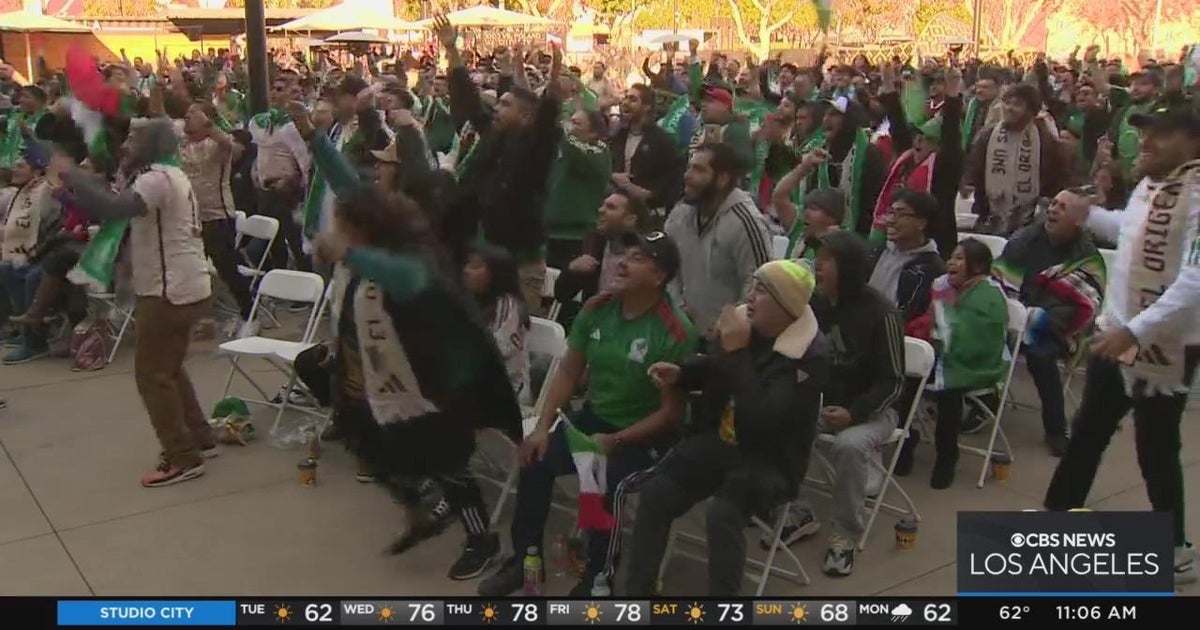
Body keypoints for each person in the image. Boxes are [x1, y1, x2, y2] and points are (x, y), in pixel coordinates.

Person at [477, 231, 698, 597]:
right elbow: (567, 371)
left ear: (659, 277)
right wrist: (543, 427)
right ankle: (525, 562)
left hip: (651, 436)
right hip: (597, 419)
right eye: (624, 253)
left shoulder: (675, 331)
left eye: (639, 257)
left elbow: (671, 415)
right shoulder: (598, 309)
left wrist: (616, 441)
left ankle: (599, 579)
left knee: (604, 479)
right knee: (536, 456)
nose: (623, 261)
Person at [1044, 107, 1199, 588]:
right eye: (1144, 132)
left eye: (1160, 133)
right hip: (1118, 332)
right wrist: (1088, 215)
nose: (1145, 141)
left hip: (1164, 346)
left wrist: (1136, 331)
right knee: (1088, 431)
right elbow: (1128, 234)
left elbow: (1195, 278)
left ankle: (1173, 546)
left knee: (1155, 447)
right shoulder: (1153, 186)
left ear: (1193, 141)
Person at [625, 260, 829, 596]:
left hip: (769, 459)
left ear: (785, 307)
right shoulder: (746, 325)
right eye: (753, 286)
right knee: (656, 493)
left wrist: (736, 353)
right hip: (720, 441)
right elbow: (715, 366)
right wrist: (684, 373)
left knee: (723, 513)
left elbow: (764, 420)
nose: (750, 296)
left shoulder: (809, 356)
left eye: (762, 290)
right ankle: (639, 593)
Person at [57, 119, 215, 487]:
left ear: (153, 143)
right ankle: (198, 437)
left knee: (152, 375)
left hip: (168, 290)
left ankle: (182, 456)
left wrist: (73, 177)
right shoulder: (167, 174)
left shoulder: (156, 178)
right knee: (170, 369)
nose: (127, 143)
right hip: (182, 284)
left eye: (134, 137)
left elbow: (115, 208)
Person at [784, 231, 905, 576]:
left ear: (848, 267)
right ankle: (799, 511)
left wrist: (855, 412)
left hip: (875, 411)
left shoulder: (881, 313)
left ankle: (844, 534)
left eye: (826, 260)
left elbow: (894, 381)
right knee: (781, 421)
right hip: (825, 404)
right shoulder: (817, 305)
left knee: (849, 446)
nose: (817, 267)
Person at [436, 15, 560, 313]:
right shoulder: (492, 135)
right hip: (484, 257)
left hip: (521, 262)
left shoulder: (536, 146)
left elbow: (548, 112)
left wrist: (555, 73)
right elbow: (467, 98)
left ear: (526, 116)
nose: (497, 108)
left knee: (513, 335)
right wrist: (451, 50)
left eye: (506, 105)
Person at [993, 189, 1105, 456]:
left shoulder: (1086, 257)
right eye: (1053, 203)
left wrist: (1036, 322)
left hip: (1056, 328)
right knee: (979, 336)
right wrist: (1016, 316)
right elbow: (1000, 282)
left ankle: (1055, 429)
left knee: (1040, 356)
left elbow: (1086, 305)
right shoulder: (1024, 240)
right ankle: (980, 403)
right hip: (1014, 316)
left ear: (1079, 220)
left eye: (1063, 208)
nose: (1053, 210)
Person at [909, 239, 1009, 488]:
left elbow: (981, 336)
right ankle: (907, 438)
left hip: (977, 363)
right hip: (941, 354)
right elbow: (934, 319)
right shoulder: (944, 286)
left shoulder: (990, 295)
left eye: (960, 258)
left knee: (948, 391)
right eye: (951, 257)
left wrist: (939, 330)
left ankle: (947, 455)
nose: (951, 262)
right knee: (906, 374)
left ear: (976, 267)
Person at [665, 142, 772, 334]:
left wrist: (729, 325)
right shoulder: (681, 213)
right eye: (689, 168)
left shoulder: (747, 222)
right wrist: (678, 307)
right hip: (682, 332)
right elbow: (668, 268)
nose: (687, 176)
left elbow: (759, 285)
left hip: (729, 341)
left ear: (722, 179)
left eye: (698, 170)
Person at [178, 101, 254, 327]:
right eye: (187, 113)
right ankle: (203, 319)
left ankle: (250, 314)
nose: (188, 117)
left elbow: (230, 145)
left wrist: (208, 124)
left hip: (218, 217)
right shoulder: (184, 145)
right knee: (191, 269)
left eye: (194, 114)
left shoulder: (217, 145)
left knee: (227, 269)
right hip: (192, 219)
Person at [963, 83, 1066, 235]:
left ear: (1031, 111)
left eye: (1017, 104)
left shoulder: (1045, 140)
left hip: (1030, 220)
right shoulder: (987, 135)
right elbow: (974, 170)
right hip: (990, 215)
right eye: (1006, 103)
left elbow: (1055, 180)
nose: (1009, 108)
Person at [0, 144, 59, 364]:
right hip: (27, 253)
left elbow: (46, 219)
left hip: (49, 252)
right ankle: (21, 329)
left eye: (20, 166)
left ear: (36, 172)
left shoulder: (45, 191)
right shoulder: (20, 193)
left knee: (31, 274)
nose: (14, 170)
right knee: (6, 269)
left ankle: (34, 341)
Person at [247, 76, 310, 272]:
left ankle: (305, 291)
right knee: (269, 245)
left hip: (285, 192)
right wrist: (256, 170)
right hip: (265, 190)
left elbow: (304, 160)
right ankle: (274, 282)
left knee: (296, 243)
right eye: (273, 88)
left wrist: (298, 188)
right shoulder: (262, 122)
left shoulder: (292, 126)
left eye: (281, 89)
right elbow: (261, 150)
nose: (274, 93)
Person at [543, 107, 612, 271]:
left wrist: (557, 123)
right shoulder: (559, 154)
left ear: (593, 133)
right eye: (570, 122)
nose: (571, 128)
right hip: (547, 235)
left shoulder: (599, 151)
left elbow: (572, 148)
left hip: (578, 238)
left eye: (577, 124)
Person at [554, 190, 649, 308]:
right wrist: (572, 270)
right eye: (602, 205)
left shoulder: (645, 257)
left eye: (611, 207)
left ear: (630, 219)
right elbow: (561, 295)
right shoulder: (594, 245)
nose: (601, 210)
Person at [463, 243, 531, 406]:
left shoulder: (509, 306)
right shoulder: (465, 301)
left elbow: (496, 351)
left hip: (506, 392)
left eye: (475, 266)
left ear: (496, 274)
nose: (466, 270)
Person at [610, 84, 680, 229]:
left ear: (647, 107)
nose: (626, 103)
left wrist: (640, 191)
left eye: (633, 99)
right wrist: (613, 176)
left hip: (649, 218)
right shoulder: (617, 136)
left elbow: (669, 183)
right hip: (619, 214)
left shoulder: (662, 141)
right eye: (625, 98)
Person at [779, 187, 843, 264]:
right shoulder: (800, 235)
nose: (806, 213)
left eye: (813, 209)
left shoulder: (841, 251)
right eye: (806, 208)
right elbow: (778, 196)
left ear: (832, 218)